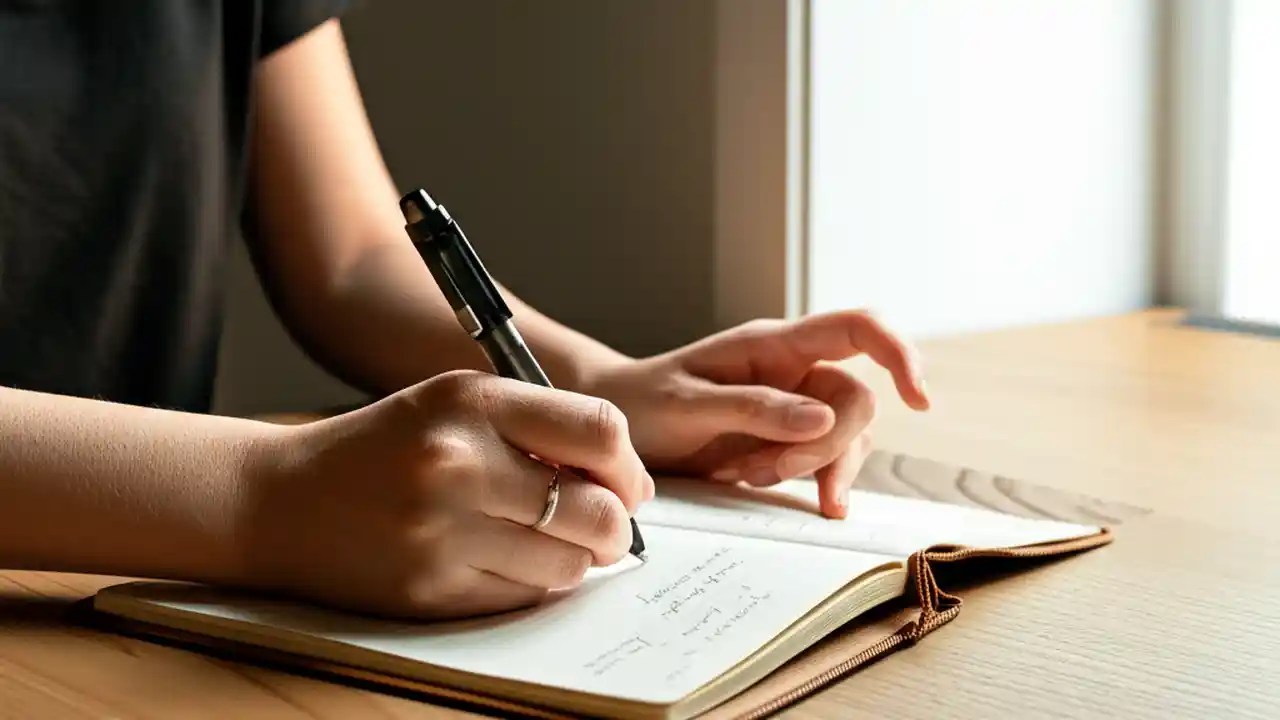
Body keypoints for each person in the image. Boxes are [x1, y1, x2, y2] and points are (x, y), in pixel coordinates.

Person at [0, 3, 929, 620]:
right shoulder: (265, 503)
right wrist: (267, 498)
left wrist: (600, 385)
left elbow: (353, 255)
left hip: (137, 613)